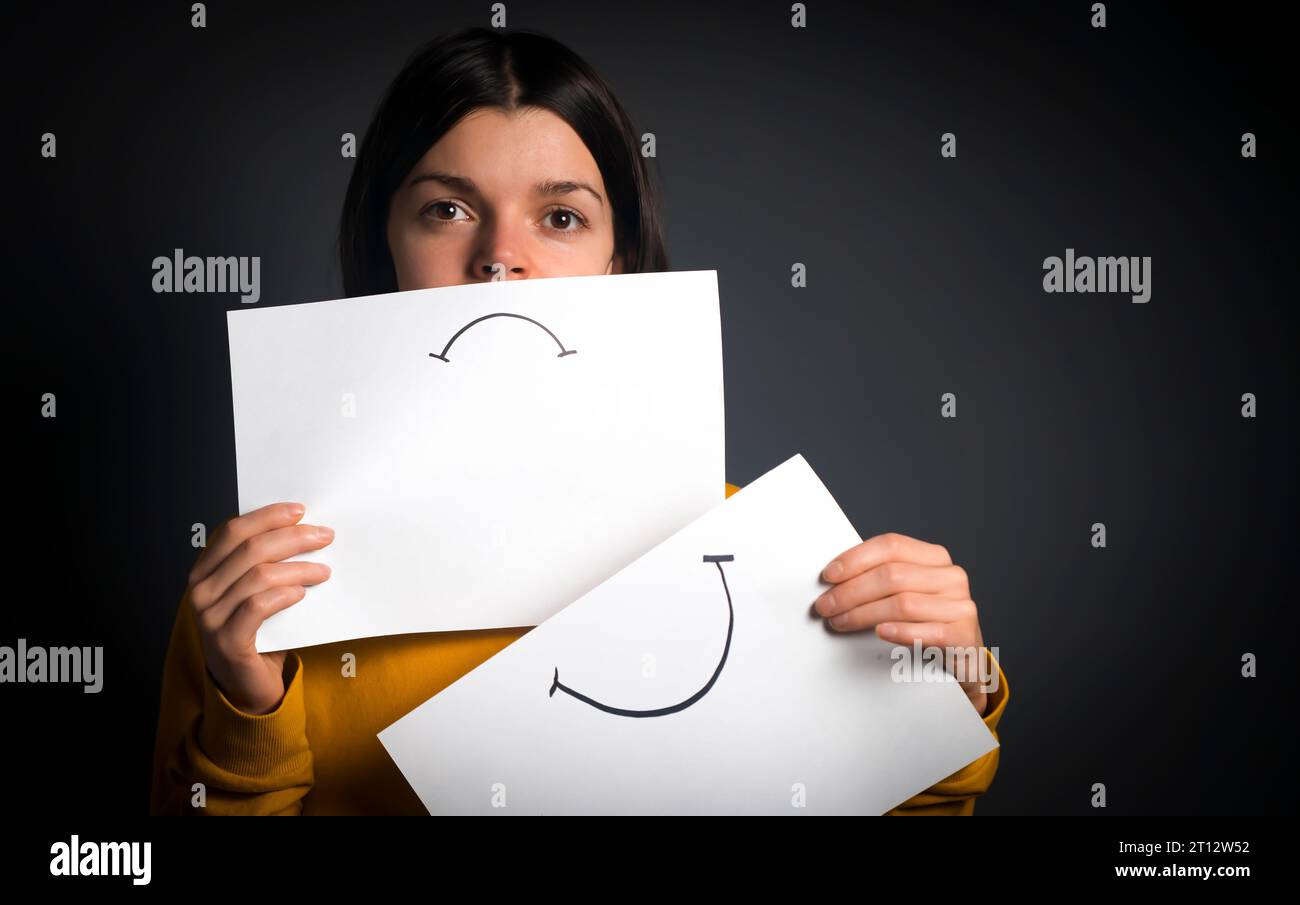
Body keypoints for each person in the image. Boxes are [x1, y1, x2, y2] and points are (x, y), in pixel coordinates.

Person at [150, 26, 1009, 816]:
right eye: (446, 208)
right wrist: (248, 709)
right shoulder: (265, 585)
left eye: (560, 217)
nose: (499, 256)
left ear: (618, 259)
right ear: (387, 247)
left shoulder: (761, 550)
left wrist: (953, 686)